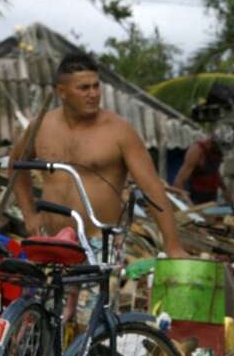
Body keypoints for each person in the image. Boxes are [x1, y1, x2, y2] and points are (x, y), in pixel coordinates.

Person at [12, 52, 187, 259]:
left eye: (96, 86)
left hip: (99, 246)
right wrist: (29, 214)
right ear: (62, 91)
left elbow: (152, 187)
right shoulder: (41, 126)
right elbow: (16, 167)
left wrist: (172, 245)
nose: (93, 94)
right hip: (53, 242)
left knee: (97, 292)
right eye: (84, 88)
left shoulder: (119, 130)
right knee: (48, 292)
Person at [172, 125, 234, 205]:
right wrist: (183, 203)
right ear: (214, 142)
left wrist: (224, 190)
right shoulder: (197, 151)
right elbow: (179, 181)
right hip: (196, 198)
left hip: (212, 198)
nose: (221, 153)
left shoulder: (217, 153)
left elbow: (214, 170)